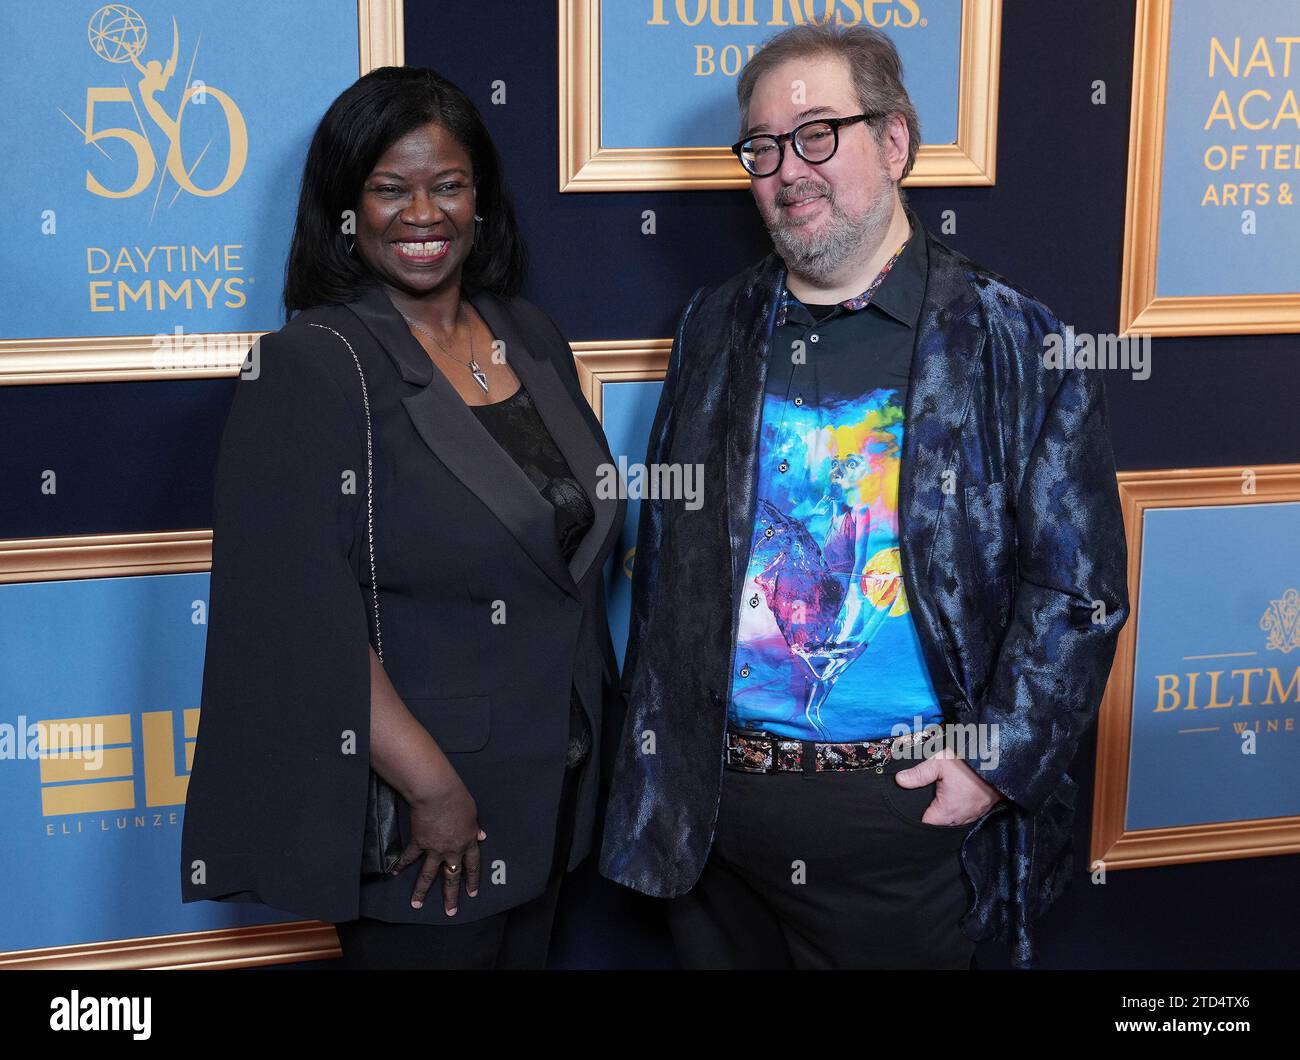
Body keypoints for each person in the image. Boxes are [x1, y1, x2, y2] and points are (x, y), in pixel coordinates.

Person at [599, 23, 1129, 970]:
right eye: (761, 147)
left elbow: (1079, 592)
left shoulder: (1016, 341)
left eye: (817, 134)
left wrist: (992, 761)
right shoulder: (714, 326)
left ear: (895, 143)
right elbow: (676, 565)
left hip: (906, 835)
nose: (786, 169)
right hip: (717, 835)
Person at [180, 66, 625, 970]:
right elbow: (302, 617)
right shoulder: (310, 367)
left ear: (482, 201)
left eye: (448, 185)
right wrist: (432, 787)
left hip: (554, 798)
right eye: (389, 188)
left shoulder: (530, 336)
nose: (423, 213)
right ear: (345, 210)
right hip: (427, 822)